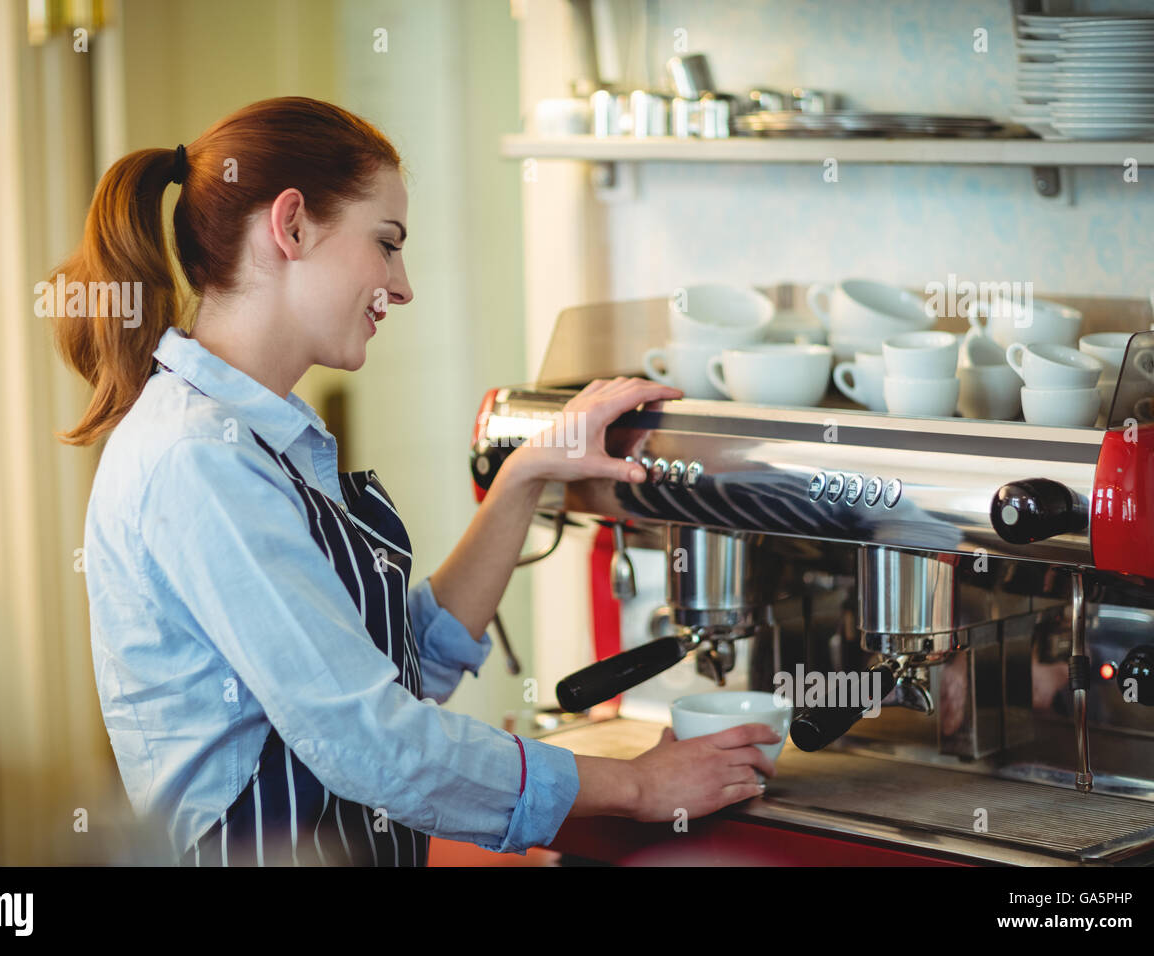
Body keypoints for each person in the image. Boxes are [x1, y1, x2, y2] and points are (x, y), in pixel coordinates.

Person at [48, 96, 777, 866]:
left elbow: (399, 673)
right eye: (386, 243)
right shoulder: (200, 458)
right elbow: (369, 740)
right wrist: (636, 784)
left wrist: (526, 476)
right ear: (291, 225)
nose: (402, 285)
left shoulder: (264, 436)